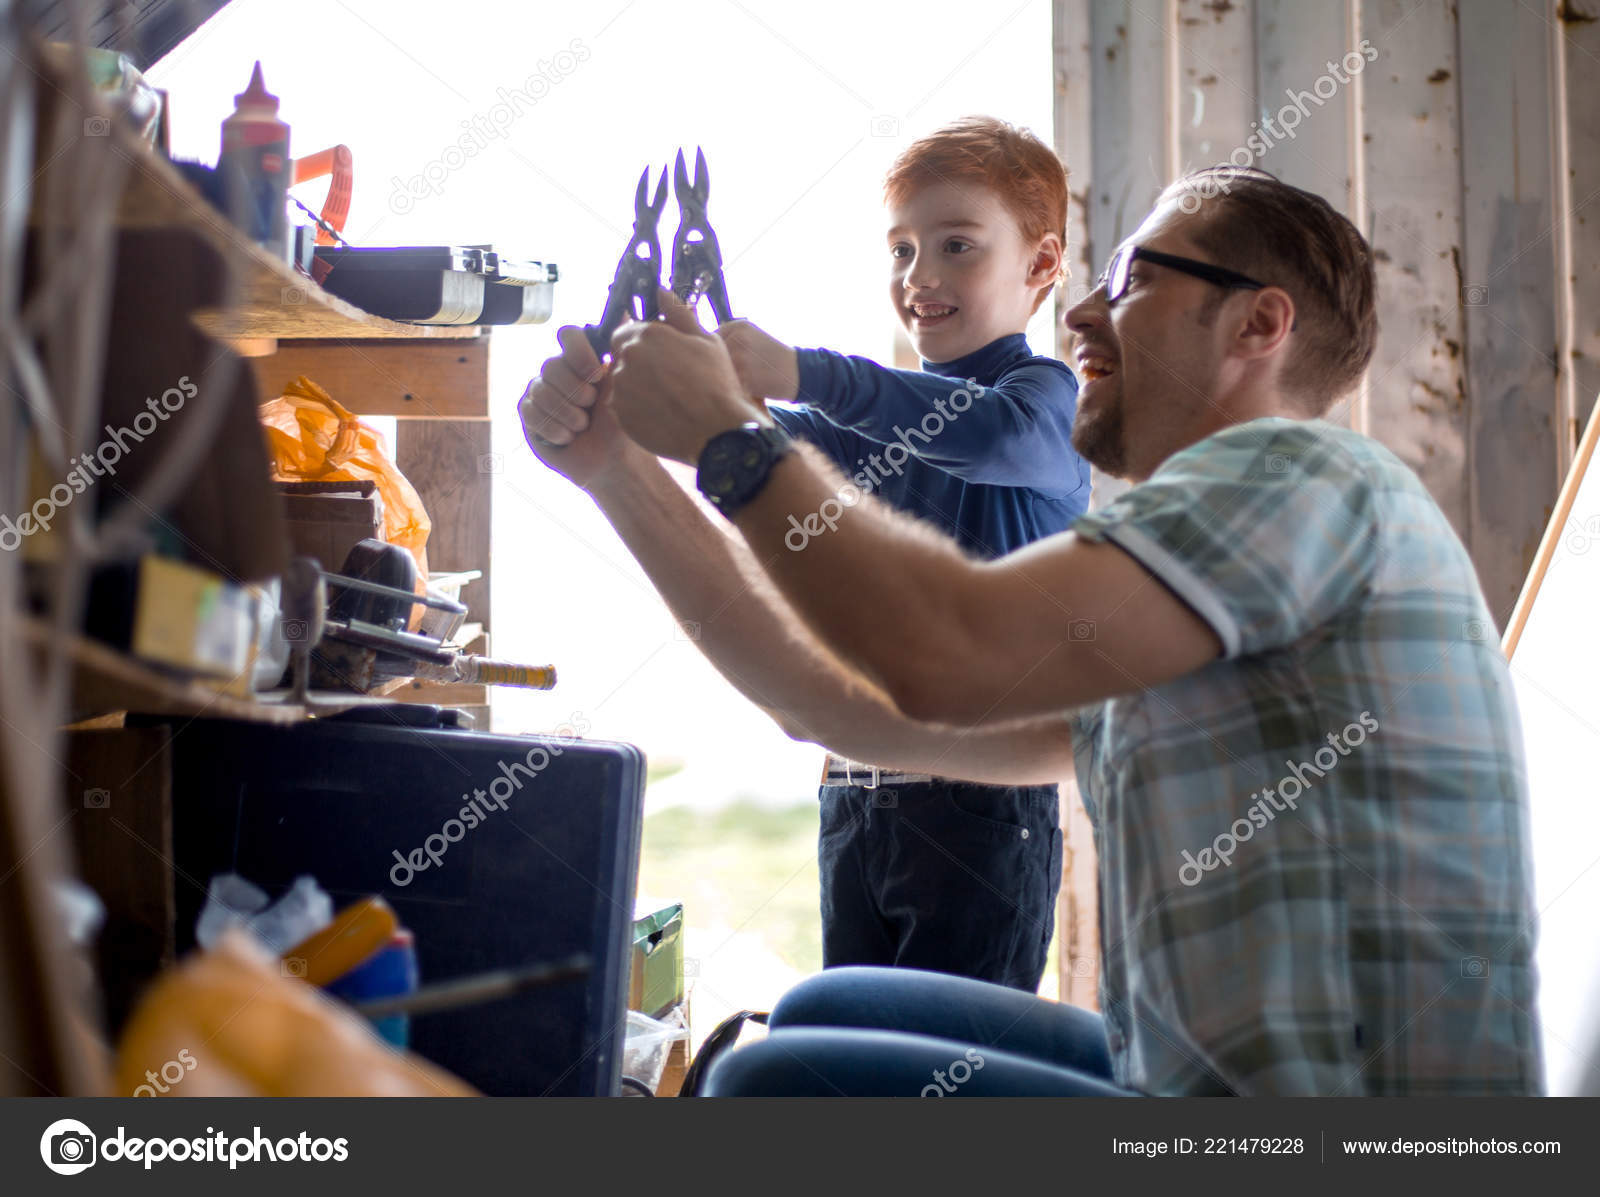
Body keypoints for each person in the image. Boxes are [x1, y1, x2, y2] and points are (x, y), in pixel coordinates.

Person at [600, 166, 1544, 1096]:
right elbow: (836, 708)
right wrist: (613, 470)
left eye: (1132, 279)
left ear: (1258, 323)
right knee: (819, 1015)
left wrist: (731, 435)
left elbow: (943, 655)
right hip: (1185, 1084)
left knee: (776, 1076)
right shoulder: (1211, 574)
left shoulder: (1295, 471)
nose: (1079, 316)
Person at [519, 117, 1091, 992]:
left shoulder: (1044, 400)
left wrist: (805, 371)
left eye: (957, 245)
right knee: (854, 1059)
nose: (920, 277)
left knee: (941, 1085)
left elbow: (985, 436)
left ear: (1043, 266)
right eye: (900, 250)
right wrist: (607, 407)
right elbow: (755, 446)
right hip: (854, 793)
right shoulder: (874, 425)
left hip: (985, 811)